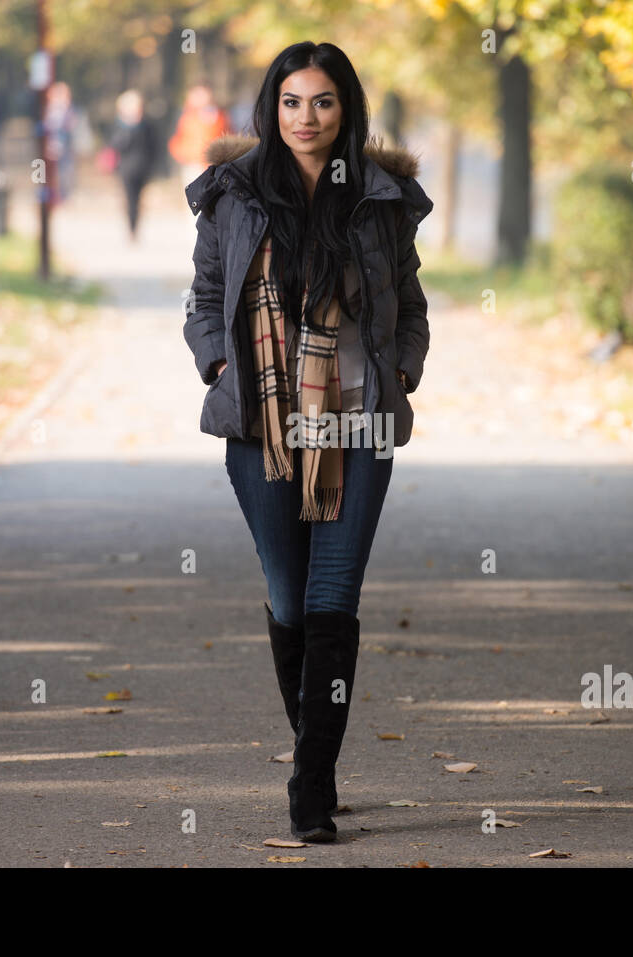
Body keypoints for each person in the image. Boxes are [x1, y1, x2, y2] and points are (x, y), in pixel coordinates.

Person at [183, 41, 433, 842]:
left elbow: (413, 304)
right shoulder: (233, 195)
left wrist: (403, 367)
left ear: (345, 108)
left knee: (333, 601)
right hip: (262, 427)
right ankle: (311, 752)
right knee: (289, 597)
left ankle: (312, 787)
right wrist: (218, 362)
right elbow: (205, 298)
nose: (306, 117)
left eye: (323, 101)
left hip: (358, 421)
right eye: (292, 101)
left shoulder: (380, 197)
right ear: (271, 107)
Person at [109, 90, 159, 242]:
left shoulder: (146, 124)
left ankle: (135, 226)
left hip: (142, 167)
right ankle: (131, 228)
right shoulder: (119, 125)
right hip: (125, 168)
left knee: (138, 198)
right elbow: (115, 145)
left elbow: (153, 146)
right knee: (130, 198)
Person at [42, 81, 78, 205]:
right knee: (49, 170)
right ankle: (50, 194)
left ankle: (63, 195)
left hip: (64, 144)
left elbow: (72, 125)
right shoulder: (50, 108)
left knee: (65, 171)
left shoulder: (68, 109)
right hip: (52, 143)